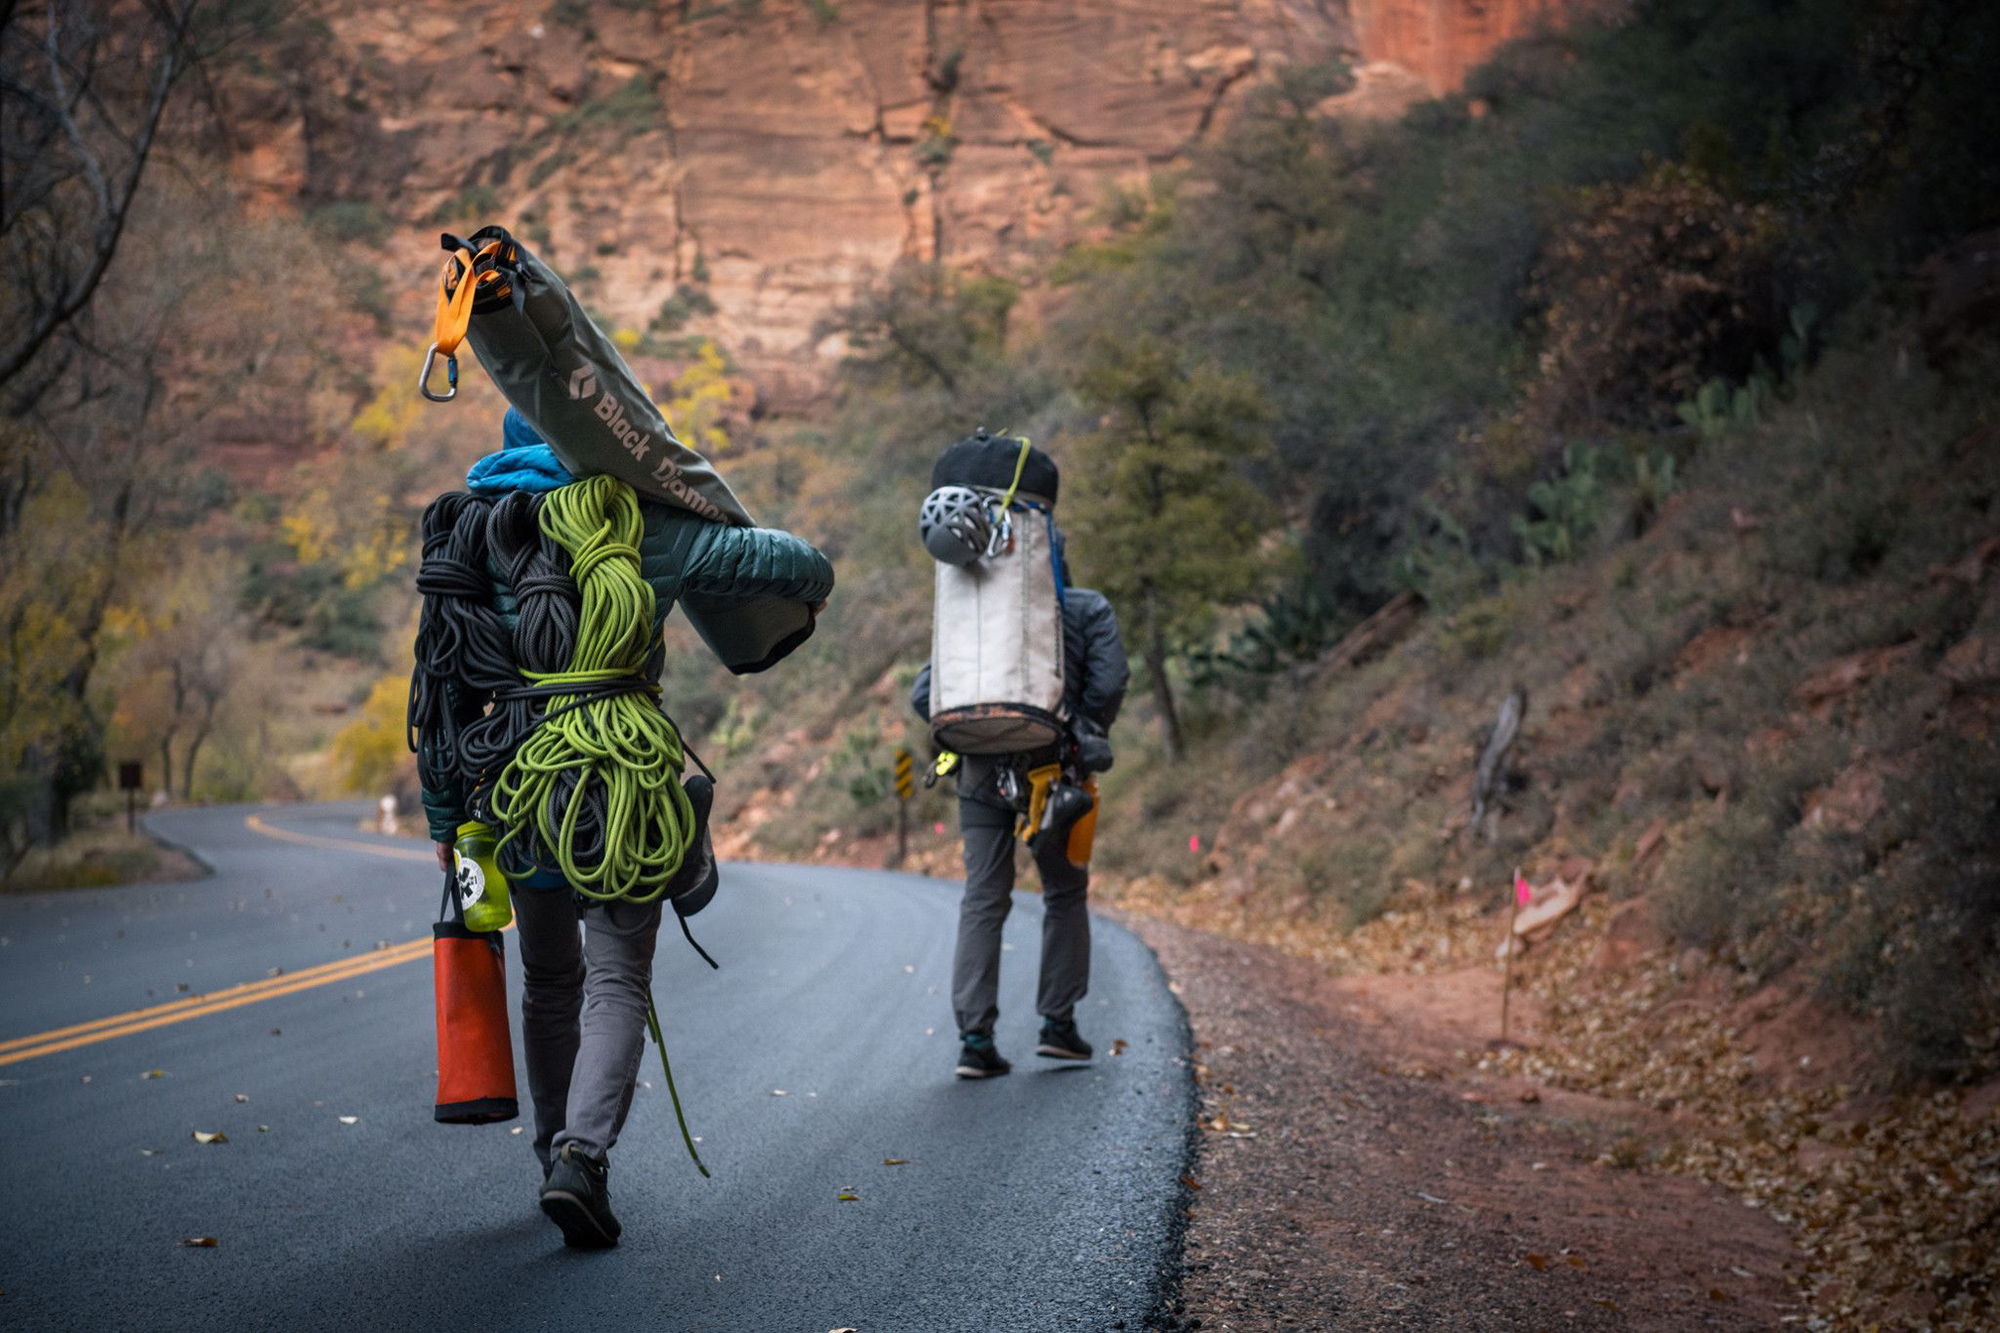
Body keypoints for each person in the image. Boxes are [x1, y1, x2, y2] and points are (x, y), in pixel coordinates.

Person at [421, 408, 834, 1248]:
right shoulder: (636, 525)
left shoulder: (470, 535)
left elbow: (441, 688)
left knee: (549, 981)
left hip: (513, 784)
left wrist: (445, 821)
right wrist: (785, 566)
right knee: (615, 982)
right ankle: (583, 1157)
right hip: (619, 785)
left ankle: (552, 1157)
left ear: (506, 453)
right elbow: (794, 565)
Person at [911, 583, 1128, 1078]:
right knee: (1065, 892)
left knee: (983, 897)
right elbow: (1110, 681)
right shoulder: (1085, 606)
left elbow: (925, 693)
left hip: (978, 775)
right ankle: (1057, 1026)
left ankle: (975, 1040)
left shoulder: (972, 614)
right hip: (1054, 775)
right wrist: (1084, 731)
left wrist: (972, 737)